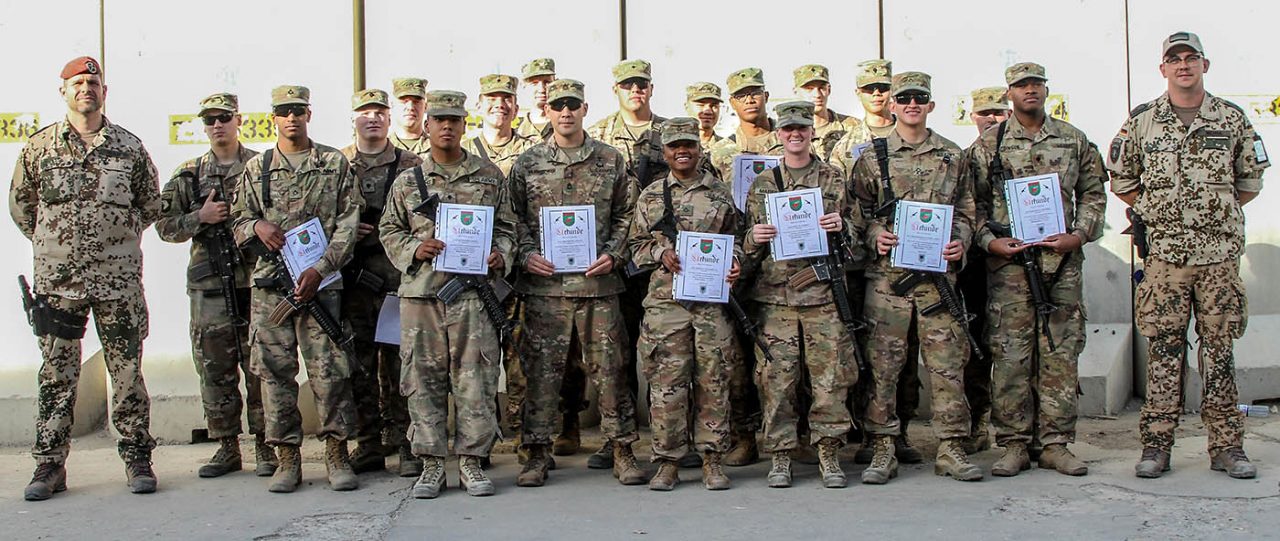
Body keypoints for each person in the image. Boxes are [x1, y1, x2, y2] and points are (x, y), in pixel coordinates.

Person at [1108, 31, 1267, 480]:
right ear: (1163, 69)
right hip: (1165, 260)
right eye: (1173, 59)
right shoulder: (1143, 121)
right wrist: (1162, 214)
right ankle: (1157, 446)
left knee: (1219, 351)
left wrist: (1209, 213)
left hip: (1218, 258)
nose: (1183, 65)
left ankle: (1227, 447)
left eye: (1191, 57)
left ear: (1204, 65)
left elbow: (1248, 183)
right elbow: (1123, 181)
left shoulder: (1230, 118)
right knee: (1163, 350)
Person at [13, 56, 162, 500]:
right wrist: (55, 247)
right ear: (63, 91)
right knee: (57, 375)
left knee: (128, 373)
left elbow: (150, 205)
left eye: (93, 82)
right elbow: (24, 209)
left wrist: (115, 239)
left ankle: (138, 459)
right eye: (77, 83)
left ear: (104, 91)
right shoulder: (38, 149)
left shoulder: (129, 148)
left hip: (118, 281)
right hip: (59, 284)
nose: (86, 89)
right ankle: (49, 466)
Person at [969, 63, 1108, 477]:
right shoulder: (987, 147)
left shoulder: (1072, 139)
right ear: (1008, 93)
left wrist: (1079, 235)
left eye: (1036, 84)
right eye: (1021, 85)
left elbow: (1094, 194)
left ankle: (1055, 443)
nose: (1030, 90)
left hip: (1060, 265)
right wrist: (988, 242)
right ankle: (1013, 443)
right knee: (1010, 357)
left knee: (1060, 355)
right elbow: (968, 207)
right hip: (1009, 268)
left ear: (1046, 89)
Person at [379, 89, 518, 498]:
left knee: (475, 377)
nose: (446, 126)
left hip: (473, 296)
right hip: (422, 296)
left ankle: (472, 461)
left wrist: (500, 255)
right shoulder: (409, 181)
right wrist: (414, 249)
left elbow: (509, 229)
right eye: (438, 119)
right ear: (427, 125)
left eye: (454, 120)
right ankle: (432, 463)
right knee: (422, 378)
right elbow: (389, 229)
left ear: (463, 125)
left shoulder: (489, 176)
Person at [508, 79, 645, 487]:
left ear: (585, 108)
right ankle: (536, 452)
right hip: (545, 290)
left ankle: (621, 449)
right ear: (547, 111)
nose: (565, 112)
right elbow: (510, 217)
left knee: (611, 370)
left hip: (597, 288)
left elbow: (629, 212)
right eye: (557, 106)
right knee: (542, 372)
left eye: (572, 105)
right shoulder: (528, 163)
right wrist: (526, 253)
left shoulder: (609, 159)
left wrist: (615, 254)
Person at [230, 85, 363, 493]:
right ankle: (286, 457)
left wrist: (323, 268)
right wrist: (256, 226)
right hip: (272, 290)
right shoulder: (257, 169)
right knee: (273, 374)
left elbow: (349, 221)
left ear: (309, 114)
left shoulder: (332, 162)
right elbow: (236, 222)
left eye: (298, 110)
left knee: (330, 373)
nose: (292, 118)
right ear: (274, 117)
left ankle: (337, 454)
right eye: (284, 111)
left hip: (320, 287)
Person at [851, 71, 981, 484]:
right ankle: (884, 446)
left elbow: (966, 212)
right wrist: (876, 235)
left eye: (919, 98)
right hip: (888, 282)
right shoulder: (872, 156)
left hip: (937, 280)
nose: (911, 104)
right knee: (883, 366)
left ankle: (951, 447)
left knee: (947, 366)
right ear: (892, 104)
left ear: (930, 105)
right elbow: (857, 213)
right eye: (904, 98)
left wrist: (960, 241)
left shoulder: (952, 155)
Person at [741, 100, 860, 489]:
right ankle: (780, 454)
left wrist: (841, 226)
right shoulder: (763, 184)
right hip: (776, 299)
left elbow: (857, 237)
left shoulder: (833, 179)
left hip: (822, 296)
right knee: (777, 380)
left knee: (830, 379)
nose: (795, 134)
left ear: (812, 132)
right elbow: (745, 246)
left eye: (802, 128)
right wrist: (753, 238)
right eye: (788, 129)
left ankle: (828, 450)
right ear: (779, 135)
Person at [156, 92, 275, 479]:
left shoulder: (262, 167)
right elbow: (163, 227)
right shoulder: (189, 174)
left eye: (224, 117)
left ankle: (265, 445)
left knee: (260, 365)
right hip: (209, 288)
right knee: (214, 367)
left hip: (256, 282)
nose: (217, 125)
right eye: (210, 120)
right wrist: (199, 217)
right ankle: (226, 445)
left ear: (238, 119)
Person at [628, 117, 740, 491]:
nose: (682, 151)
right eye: (675, 145)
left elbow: (736, 239)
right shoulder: (652, 196)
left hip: (710, 305)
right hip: (666, 305)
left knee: (714, 381)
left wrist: (736, 260)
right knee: (666, 384)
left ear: (699, 148)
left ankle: (712, 459)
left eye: (689, 144)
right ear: (665, 152)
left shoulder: (721, 194)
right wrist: (661, 253)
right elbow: (634, 247)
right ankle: (667, 461)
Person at [339, 89, 424, 477]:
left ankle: (407, 444)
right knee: (357, 363)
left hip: (397, 280)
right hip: (353, 280)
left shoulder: (411, 166)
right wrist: (345, 233)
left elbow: (428, 219)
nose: (371, 118)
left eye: (378, 111)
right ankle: (369, 443)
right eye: (363, 112)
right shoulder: (336, 164)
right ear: (352, 118)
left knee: (402, 363)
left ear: (389, 119)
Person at [706, 67, 783, 467]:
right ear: (731, 103)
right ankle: (743, 435)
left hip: (781, 263)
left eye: (756, 93)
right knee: (734, 359)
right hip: (733, 259)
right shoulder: (719, 150)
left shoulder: (787, 138)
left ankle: (791, 436)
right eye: (741, 95)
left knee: (778, 357)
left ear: (766, 96)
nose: (750, 100)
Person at [957, 85, 1010, 455]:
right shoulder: (962, 158)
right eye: (984, 113)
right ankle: (977, 423)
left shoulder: (1026, 151)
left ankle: (1021, 429)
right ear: (973, 117)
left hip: (1020, 262)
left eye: (998, 112)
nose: (991, 119)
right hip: (976, 264)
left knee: (1013, 349)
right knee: (975, 348)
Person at [792, 64, 863, 160]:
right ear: (796, 92)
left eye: (822, 88)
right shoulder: (788, 132)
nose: (817, 95)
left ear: (829, 90)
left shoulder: (853, 127)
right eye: (809, 89)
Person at [389, 77, 431, 159]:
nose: (410, 107)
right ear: (392, 105)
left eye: (416, 102)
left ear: (425, 106)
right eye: (404, 101)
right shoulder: (381, 148)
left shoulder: (439, 149)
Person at [515, 58, 556, 140]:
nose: (541, 89)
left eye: (547, 82)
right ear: (523, 86)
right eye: (534, 83)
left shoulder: (567, 129)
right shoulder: (515, 134)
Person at [685, 82, 724, 146]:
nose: (708, 111)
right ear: (687, 107)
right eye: (701, 105)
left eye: (714, 106)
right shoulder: (672, 147)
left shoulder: (729, 148)